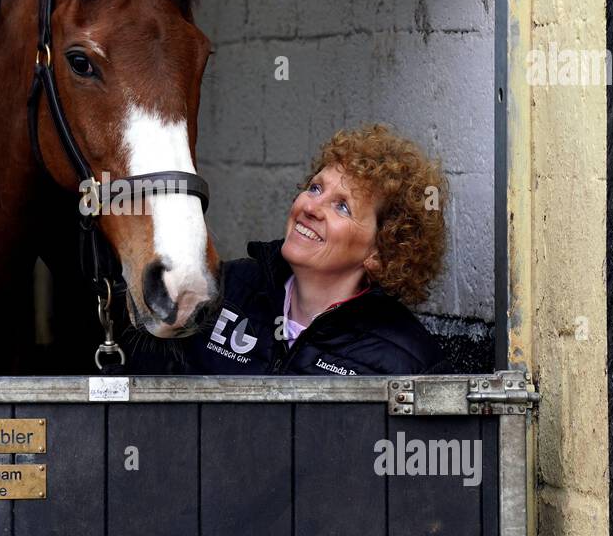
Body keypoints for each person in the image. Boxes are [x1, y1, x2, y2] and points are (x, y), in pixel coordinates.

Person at [128, 123, 452, 375]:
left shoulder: (406, 362)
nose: (312, 207)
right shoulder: (222, 291)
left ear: (380, 254)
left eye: (342, 207)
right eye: (315, 188)